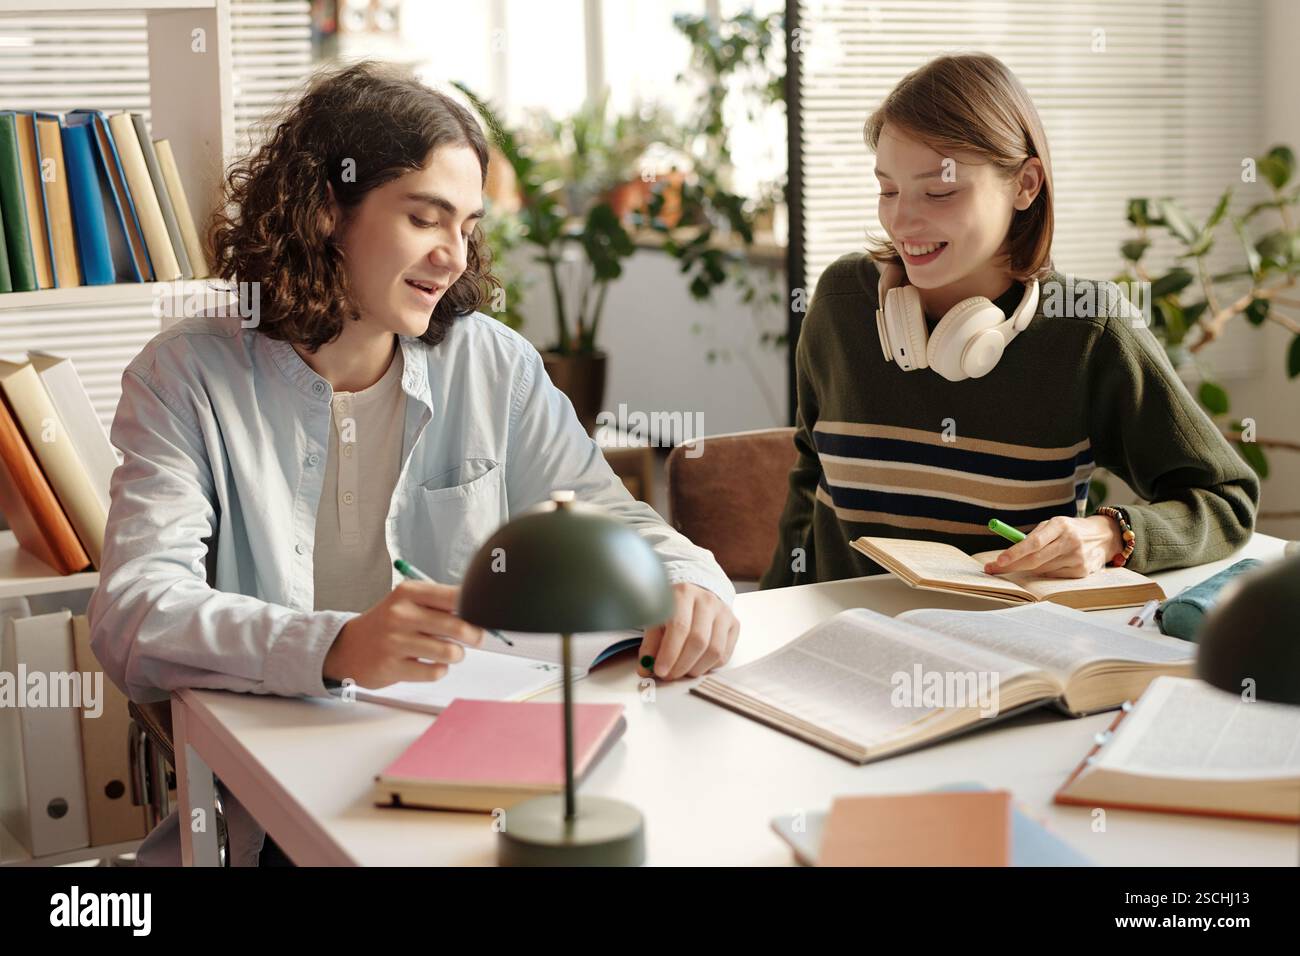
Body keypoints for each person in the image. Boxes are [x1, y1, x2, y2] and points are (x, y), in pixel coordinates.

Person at [88, 61, 738, 866]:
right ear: (327, 207)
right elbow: (135, 617)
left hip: (475, 785)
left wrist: (694, 583)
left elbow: (617, 519)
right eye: (426, 219)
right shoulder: (186, 375)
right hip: (280, 809)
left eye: (466, 226)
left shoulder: (491, 364)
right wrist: (334, 647)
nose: (453, 257)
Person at [762, 53, 1258, 590]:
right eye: (888, 189)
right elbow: (809, 475)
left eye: (939, 190)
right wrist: (767, 621)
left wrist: (1112, 535)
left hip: (1011, 659)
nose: (902, 219)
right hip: (846, 650)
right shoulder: (842, 305)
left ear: (1025, 185)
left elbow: (1225, 500)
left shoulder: (1088, 329)